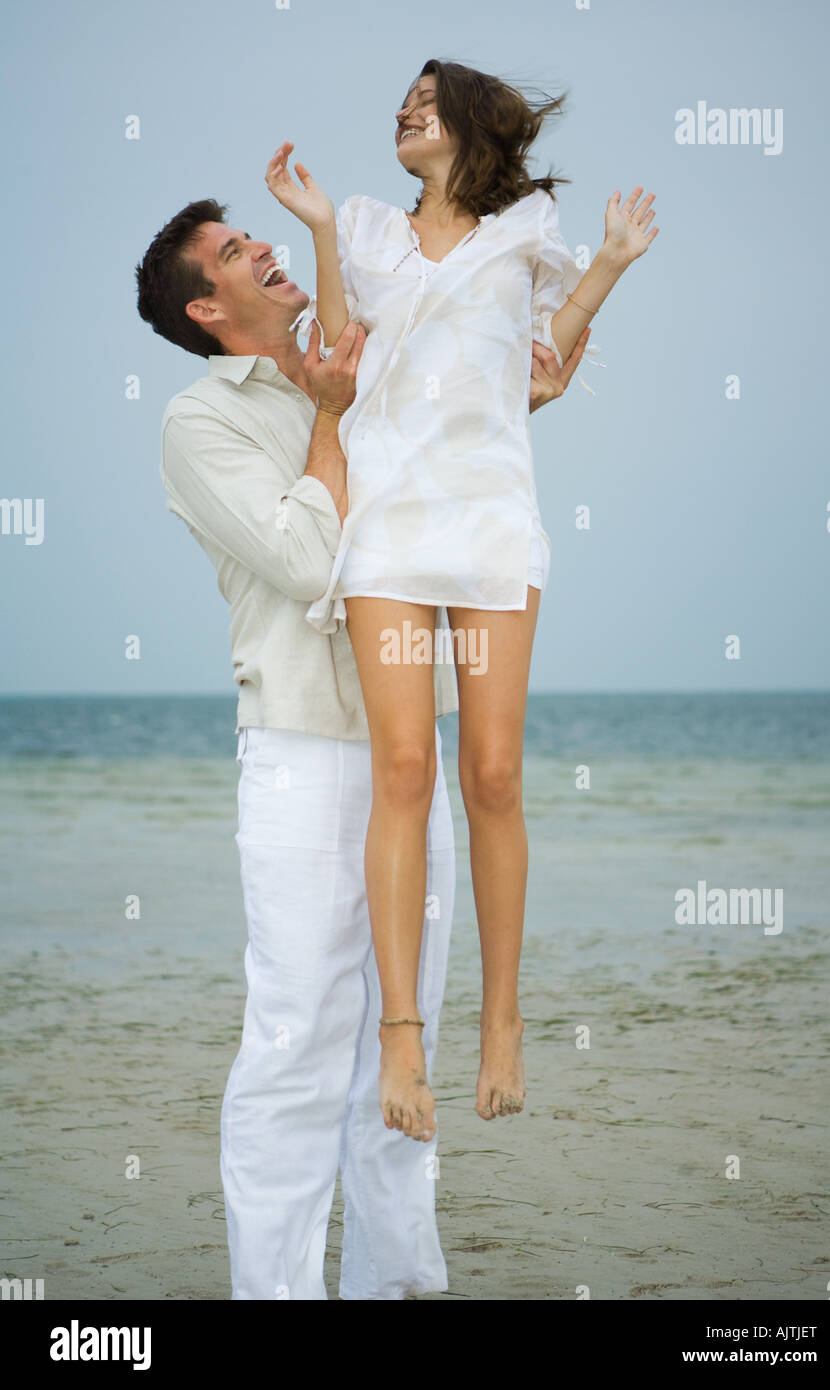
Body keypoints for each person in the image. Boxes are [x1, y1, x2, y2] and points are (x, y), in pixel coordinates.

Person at [135, 196, 588, 1298]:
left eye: (256, 236)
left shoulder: (360, 356)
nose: (266, 252)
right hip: (298, 756)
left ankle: (400, 1283)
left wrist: (533, 389)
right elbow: (301, 559)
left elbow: (459, 442)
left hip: (406, 763)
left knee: (405, 1039)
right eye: (238, 253)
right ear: (208, 305)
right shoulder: (203, 423)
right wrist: (333, 419)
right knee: (295, 1046)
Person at [265, 57, 658, 1144]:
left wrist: (613, 266)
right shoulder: (364, 225)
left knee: (491, 771)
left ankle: (502, 1019)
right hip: (390, 522)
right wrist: (318, 233)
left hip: (487, 516)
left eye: (426, 103)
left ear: (473, 124)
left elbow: (544, 358)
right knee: (405, 766)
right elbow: (341, 357)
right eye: (400, 103)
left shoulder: (523, 226)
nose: (405, 112)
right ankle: (402, 1032)